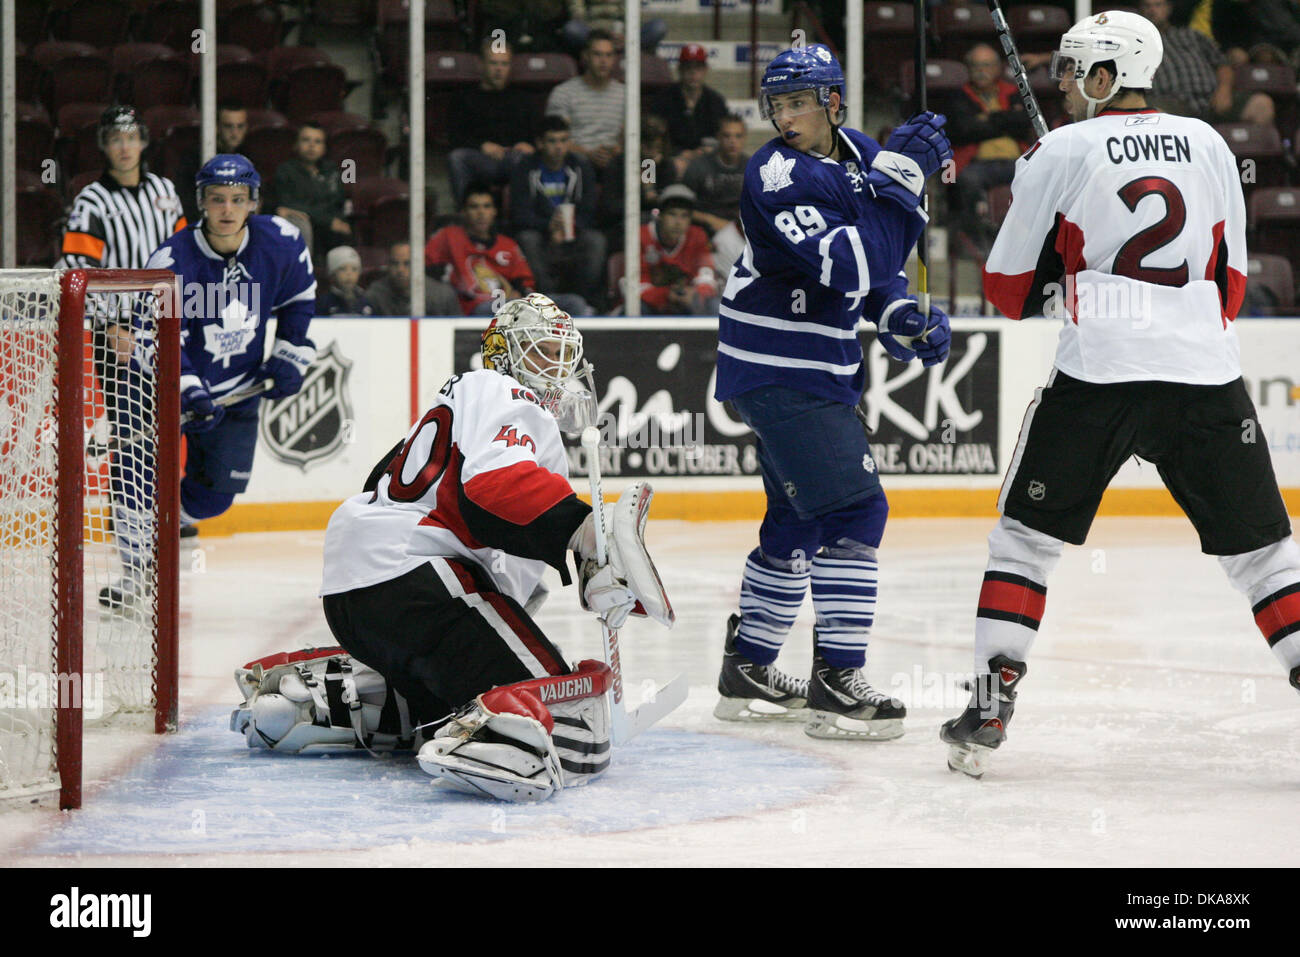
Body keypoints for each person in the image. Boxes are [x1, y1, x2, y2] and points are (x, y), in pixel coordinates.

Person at [946, 11, 1300, 778]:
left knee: (1024, 542)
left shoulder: (1060, 148)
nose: (1062, 84)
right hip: (1204, 372)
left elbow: (1006, 290)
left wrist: (1060, 284)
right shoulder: (1209, 141)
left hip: (1099, 375)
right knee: (1267, 559)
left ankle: (990, 698)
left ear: (1107, 77)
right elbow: (1231, 285)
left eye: (1074, 71)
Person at [229, 294, 673, 803]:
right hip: (420, 579)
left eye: (561, 354)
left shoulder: (461, 401)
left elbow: (427, 495)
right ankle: (489, 738)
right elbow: (493, 487)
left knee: (459, 689)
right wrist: (586, 531)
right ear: (502, 352)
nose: (555, 367)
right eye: (540, 351)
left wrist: (589, 569)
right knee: (570, 717)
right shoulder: (506, 392)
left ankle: (332, 698)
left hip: (356, 593)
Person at [711, 43, 953, 740]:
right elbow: (848, 261)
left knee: (799, 519)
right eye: (776, 105)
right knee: (856, 509)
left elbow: (877, 277)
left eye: (797, 103)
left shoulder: (860, 152)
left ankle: (749, 665)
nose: (785, 117)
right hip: (781, 366)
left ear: (833, 102)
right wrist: (905, 180)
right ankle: (837, 681)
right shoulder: (775, 172)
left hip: (808, 365)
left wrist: (899, 314)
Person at [101, 154, 317, 606]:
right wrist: (189, 390)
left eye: (237, 199)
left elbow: (298, 301)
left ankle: (165, 515)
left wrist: (289, 353)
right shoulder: (172, 257)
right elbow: (156, 337)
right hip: (153, 389)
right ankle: (135, 572)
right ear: (201, 201)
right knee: (136, 475)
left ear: (252, 202)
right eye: (217, 199)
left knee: (215, 498)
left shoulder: (281, 242)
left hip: (236, 389)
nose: (226, 209)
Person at [58, 106, 193, 577]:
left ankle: (169, 513)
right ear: (103, 144)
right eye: (115, 137)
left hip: (164, 325)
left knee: (171, 421)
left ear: (143, 142)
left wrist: (183, 313)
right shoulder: (91, 200)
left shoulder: (164, 192)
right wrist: (108, 323)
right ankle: (132, 533)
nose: (123, 145)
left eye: (131, 136)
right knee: (131, 431)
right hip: (117, 332)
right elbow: (76, 268)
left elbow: (184, 255)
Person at [425, 183, 590, 316]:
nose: (481, 213)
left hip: (514, 306)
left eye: (486, 207)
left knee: (574, 303)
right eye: (474, 207)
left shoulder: (508, 245)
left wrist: (522, 293)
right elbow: (425, 264)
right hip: (477, 308)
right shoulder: (449, 236)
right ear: (464, 212)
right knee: (488, 309)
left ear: (494, 212)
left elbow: (525, 283)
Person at [509, 115, 606, 309]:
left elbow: (590, 209)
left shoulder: (580, 166)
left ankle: (584, 302)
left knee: (596, 240)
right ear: (540, 143)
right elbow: (519, 212)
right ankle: (544, 302)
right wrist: (548, 226)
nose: (559, 147)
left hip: (574, 232)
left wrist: (570, 227)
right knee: (527, 239)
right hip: (540, 233)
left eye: (563, 140)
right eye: (552, 141)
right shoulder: (525, 168)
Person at [946, 44, 1035, 255]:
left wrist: (986, 121)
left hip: (1017, 162)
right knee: (966, 181)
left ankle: (1028, 244)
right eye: (975, 65)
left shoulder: (1014, 92)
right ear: (968, 69)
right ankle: (978, 243)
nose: (981, 70)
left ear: (997, 68)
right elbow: (963, 129)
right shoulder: (958, 96)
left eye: (986, 65)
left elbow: (1023, 122)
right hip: (978, 164)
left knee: (1038, 179)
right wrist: (1005, 120)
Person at [1142, 0, 1275, 124]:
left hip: (1212, 100)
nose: (1152, 10)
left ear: (1168, 9)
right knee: (1153, 113)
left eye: (1158, 5)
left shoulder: (1191, 35)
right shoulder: (1138, 44)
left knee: (1262, 104)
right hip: (1171, 105)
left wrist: (1224, 90)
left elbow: (1222, 65)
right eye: (1147, 6)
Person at [446, 37, 538, 209]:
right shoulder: (464, 98)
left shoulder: (523, 99)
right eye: (493, 63)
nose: (499, 69)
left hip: (515, 158)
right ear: (481, 65)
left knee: (524, 159)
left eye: (504, 64)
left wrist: (530, 145)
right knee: (457, 158)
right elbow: (454, 137)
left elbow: (537, 135)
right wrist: (482, 146)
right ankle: (467, 215)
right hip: (482, 159)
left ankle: (520, 220)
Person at [544, 29, 624, 172]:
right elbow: (553, 139)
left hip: (615, 163)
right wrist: (587, 154)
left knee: (647, 162)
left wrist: (617, 150)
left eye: (609, 55)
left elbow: (630, 136)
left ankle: (652, 193)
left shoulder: (625, 94)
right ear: (585, 56)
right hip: (574, 162)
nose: (603, 61)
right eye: (597, 54)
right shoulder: (564, 93)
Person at [681, 113, 750, 278]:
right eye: (727, 136)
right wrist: (710, 220)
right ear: (718, 137)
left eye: (738, 136)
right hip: (703, 231)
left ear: (745, 138)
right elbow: (682, 207)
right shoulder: (698, 166)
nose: (732, 141)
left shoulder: (752, 166)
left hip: (741, 233)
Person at [271, 122, 351, 260]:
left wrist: (329, 220)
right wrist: (327, 220)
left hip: (331, 232)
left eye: (317, 141)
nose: (312, 146)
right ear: (296, 145)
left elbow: (337, 202)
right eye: (306, 140)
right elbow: (287, 205)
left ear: (324, 148)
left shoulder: (331, 169)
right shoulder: (285, 171)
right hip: (303, 228)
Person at [649, 43, 731, 176]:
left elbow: (723, 137)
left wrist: (703, 153)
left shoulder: (716, 102)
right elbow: (652, 137)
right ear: (679, 69)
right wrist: (676, 154)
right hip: (669, 160)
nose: (693, 73)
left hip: (707, 162)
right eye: (688, 67)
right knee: (648, 159)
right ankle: (648, 193)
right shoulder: (663, 100)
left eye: (698, 68)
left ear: (705, 70)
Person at [637, 184, 718, 316]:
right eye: (672, 214)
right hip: (651, 306)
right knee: (636, 307)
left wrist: (697, 292)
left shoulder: (697, 235)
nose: (678, 222)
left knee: (712, 304)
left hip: (686, 300)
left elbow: (706, 273)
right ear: (660, 216)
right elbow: (635, 286)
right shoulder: (641, 236)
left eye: (684, 216)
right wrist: (667, 295)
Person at [175, 102, 249, 223]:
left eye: (240, 126)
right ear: (217, 127)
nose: (235, 133)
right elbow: (187, 200)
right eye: (228, 126)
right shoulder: (196, 158)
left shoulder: (249, 157)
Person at [364, 241, 461, 317]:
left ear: (419, 265)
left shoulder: (442, 296)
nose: (400, 270)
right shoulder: (375, 295)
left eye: (407, 264)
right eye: (395, 264)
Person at [316, 245, 374, 316]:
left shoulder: (366, 302)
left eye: (354, 269)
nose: (349, 274)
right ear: (332, 274)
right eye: (342, 269)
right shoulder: (325, 303)